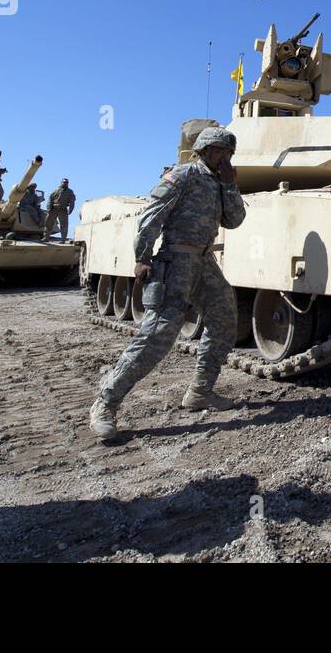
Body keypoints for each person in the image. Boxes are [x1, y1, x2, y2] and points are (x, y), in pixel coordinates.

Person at [89, 127, 246, 440]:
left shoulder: (221, 182)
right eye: (219, 151)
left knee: (225, 319)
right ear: (204, 150)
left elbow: (235, 220)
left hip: (204, 262)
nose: (224, 157)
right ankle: (106, 403)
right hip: (175, 260)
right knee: (157, 335)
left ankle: (201, 391)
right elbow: (152, 214)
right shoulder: (184, 174)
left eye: (228, 152)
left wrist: (230, 185)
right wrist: (143, 256)